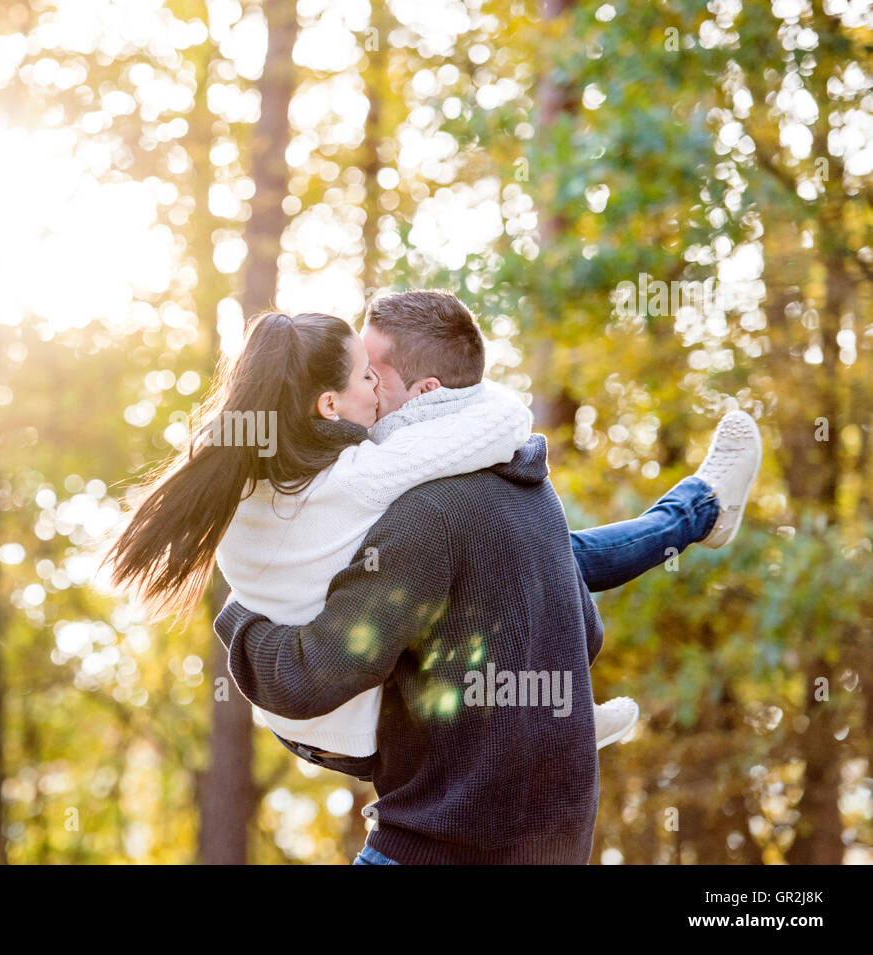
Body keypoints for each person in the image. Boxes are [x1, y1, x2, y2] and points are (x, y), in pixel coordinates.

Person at [213, 289, 761, 864]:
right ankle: (699, 508)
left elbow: (307, 679)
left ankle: (697, 512)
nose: (368, 389)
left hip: (439, 846)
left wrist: (241, 613)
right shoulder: (522, 475)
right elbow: (578, 614)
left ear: (425, 392)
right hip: (556, 840)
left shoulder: (423, 512)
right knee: (534, 558)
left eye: (374, 374)